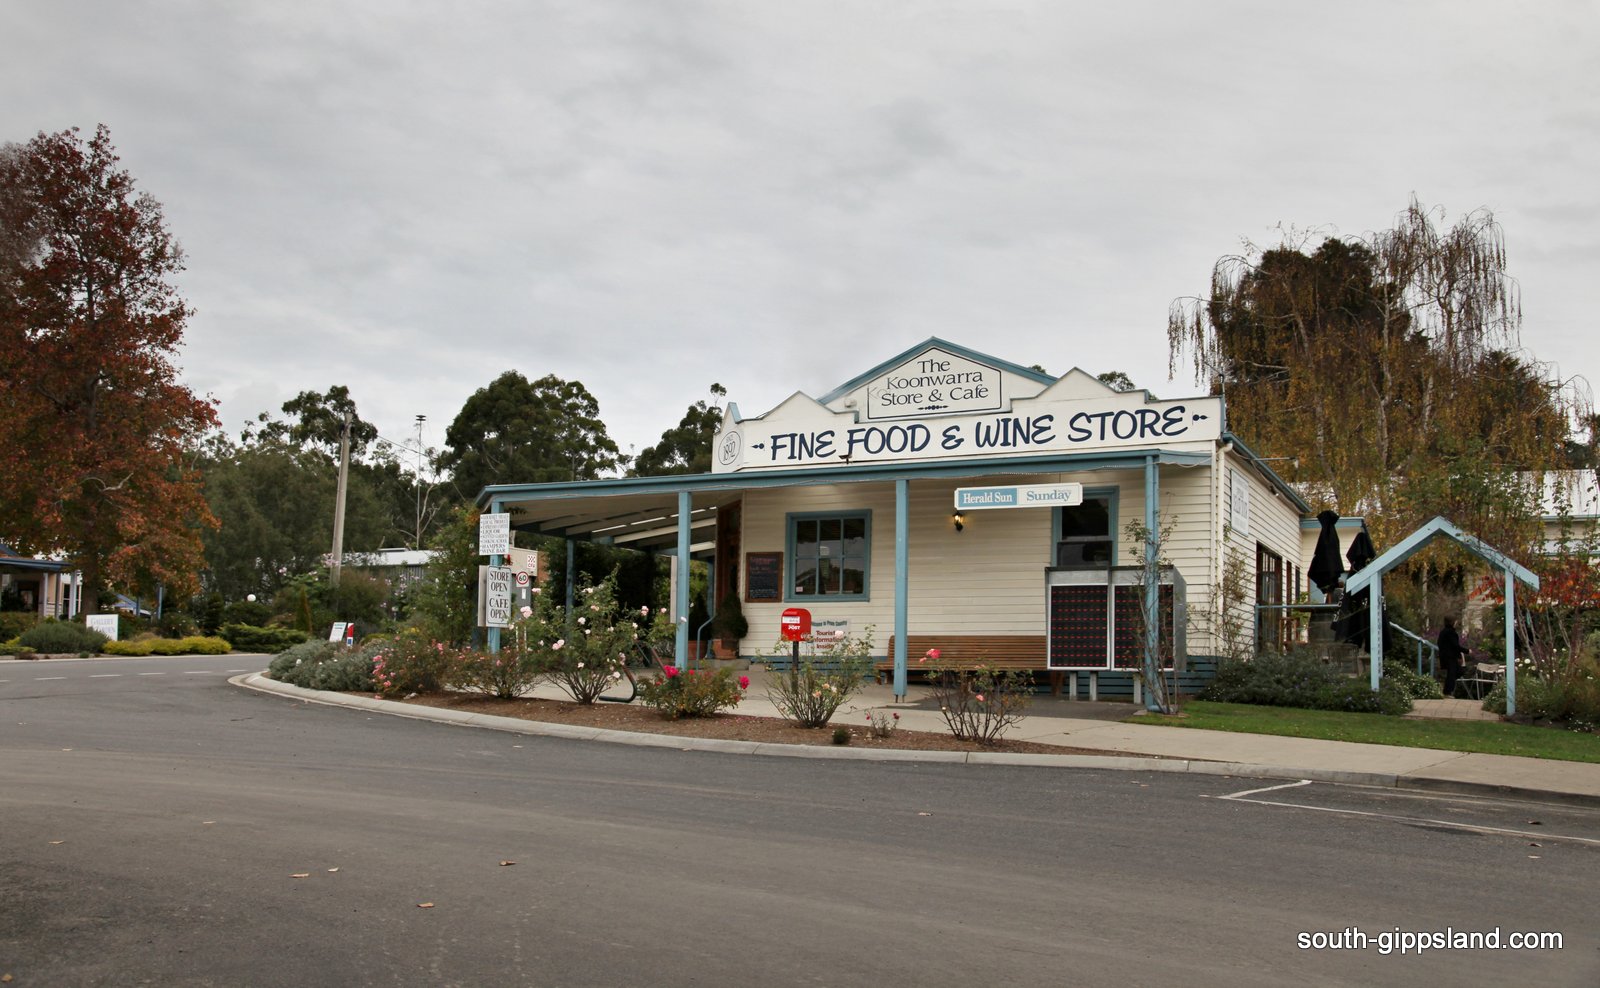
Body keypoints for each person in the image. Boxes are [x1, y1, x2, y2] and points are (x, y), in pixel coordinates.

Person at [1438, 616, 1469, 697]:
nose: (1456, 623)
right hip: (1450, 657)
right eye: (1455, 622)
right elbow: (1455, 646)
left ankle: (1447, 689)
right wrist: (1467, 651)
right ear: (1452, 622)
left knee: (1457, 672)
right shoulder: (1451, 633)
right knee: (1452, 673)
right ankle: (1447, 692)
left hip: (1445, 656)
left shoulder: (1443, 632)